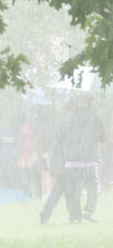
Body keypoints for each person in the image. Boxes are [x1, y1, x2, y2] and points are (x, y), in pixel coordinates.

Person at [42, 92, 104, 223]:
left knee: (73, 189)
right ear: (89, 101)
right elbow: (101, 137)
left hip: (71, 160)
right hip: (90, 159)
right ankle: (88, 210)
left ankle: (75, 216)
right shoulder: (95, 118)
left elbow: (58, 138)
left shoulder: (66, 118)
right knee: (93, 185)